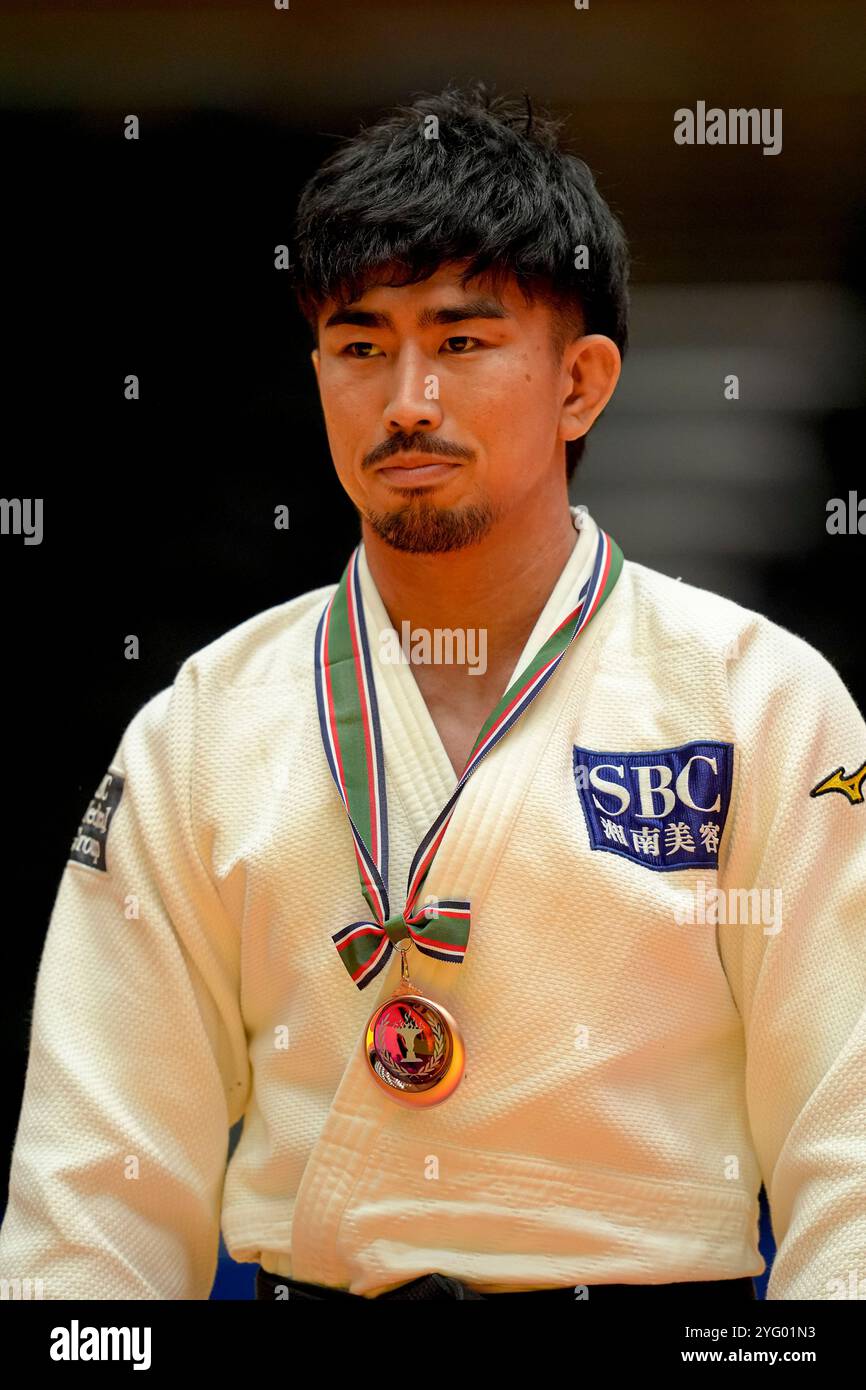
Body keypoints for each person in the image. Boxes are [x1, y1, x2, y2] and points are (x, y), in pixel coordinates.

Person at [1, 82, 864, 1302]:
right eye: (360, 347)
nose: (405, 399)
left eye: (460, 342)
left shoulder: (762, 703)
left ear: (579, 383)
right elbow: (94, 1179)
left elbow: (851, 1146)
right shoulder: (204, 726)